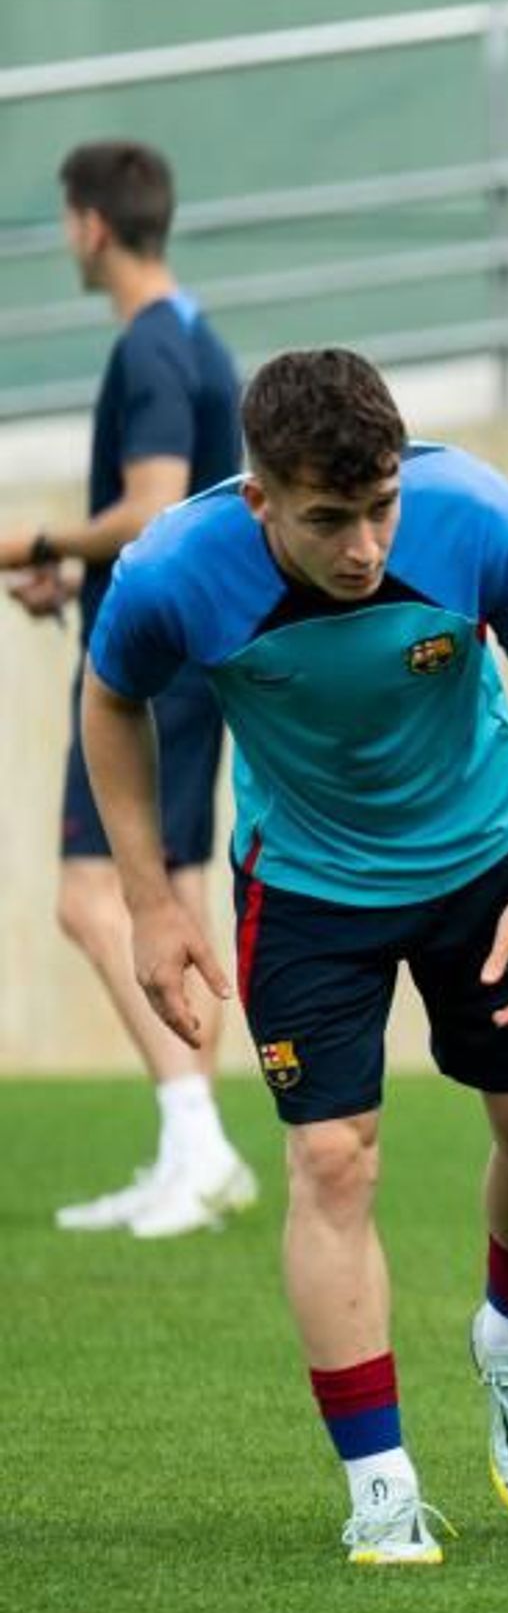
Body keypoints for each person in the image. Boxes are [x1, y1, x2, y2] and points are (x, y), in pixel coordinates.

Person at [79, 348, 508, 1565]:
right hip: (308, 887)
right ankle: (380, 1484)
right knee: (330, 1157)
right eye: (328, 519)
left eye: (380, 507)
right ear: (260, 497)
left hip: (486, 862)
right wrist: (150, 902)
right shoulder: (173, 570)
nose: (364, 546)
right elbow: (111, 700)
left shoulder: (481, 519)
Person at [10, 141, 254, 1238]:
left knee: (88, 894)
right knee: (178, 895)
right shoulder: (194, 334)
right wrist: (74, 573)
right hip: (189, 653)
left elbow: (153, 504)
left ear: (92, 225)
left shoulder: (150, 346)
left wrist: (37, 540)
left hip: (149, 666)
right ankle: (192, 1152)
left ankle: (197, 1138)